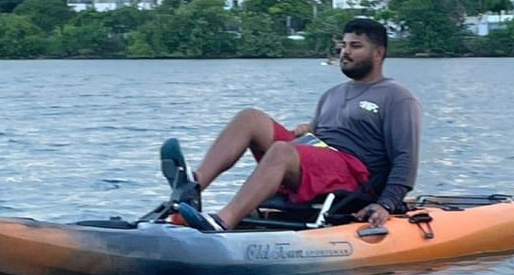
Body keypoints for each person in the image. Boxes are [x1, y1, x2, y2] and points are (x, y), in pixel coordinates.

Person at [165, 17, 422, 232]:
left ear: (379, 53)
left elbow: (405, 156)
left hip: (355, 174)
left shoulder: (396, 96)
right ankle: (193, 185)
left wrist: (386, 203)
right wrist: (305, 131)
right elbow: (322, 133)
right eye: (343, 45)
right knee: (250, 118)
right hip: (321, 158)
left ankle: (224, 221)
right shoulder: (331, 94)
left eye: (355, 46)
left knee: (281, 150)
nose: (345, 52)